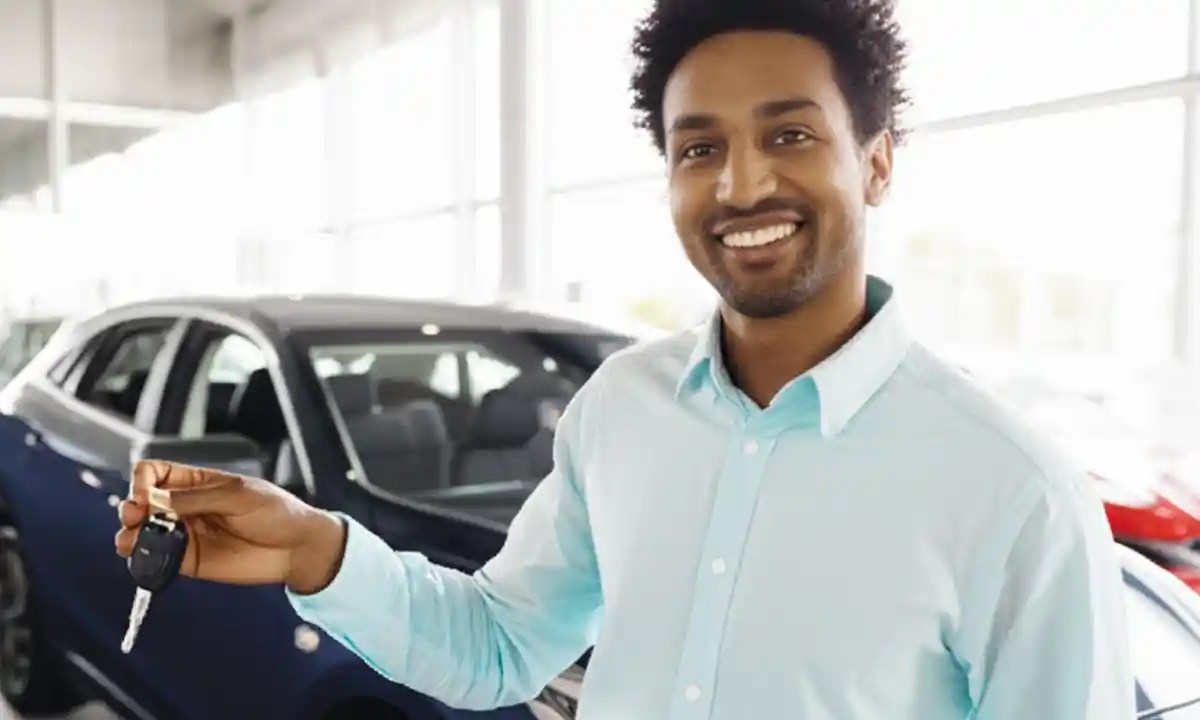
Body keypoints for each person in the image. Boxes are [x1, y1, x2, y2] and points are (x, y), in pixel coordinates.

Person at [117, 0, 1135, 717]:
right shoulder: (623, 409)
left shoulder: (1011, 493)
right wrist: (314, 549)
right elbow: (500, 646)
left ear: (873, 161)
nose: (740, 185)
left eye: (788, 135)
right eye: (697, 148)